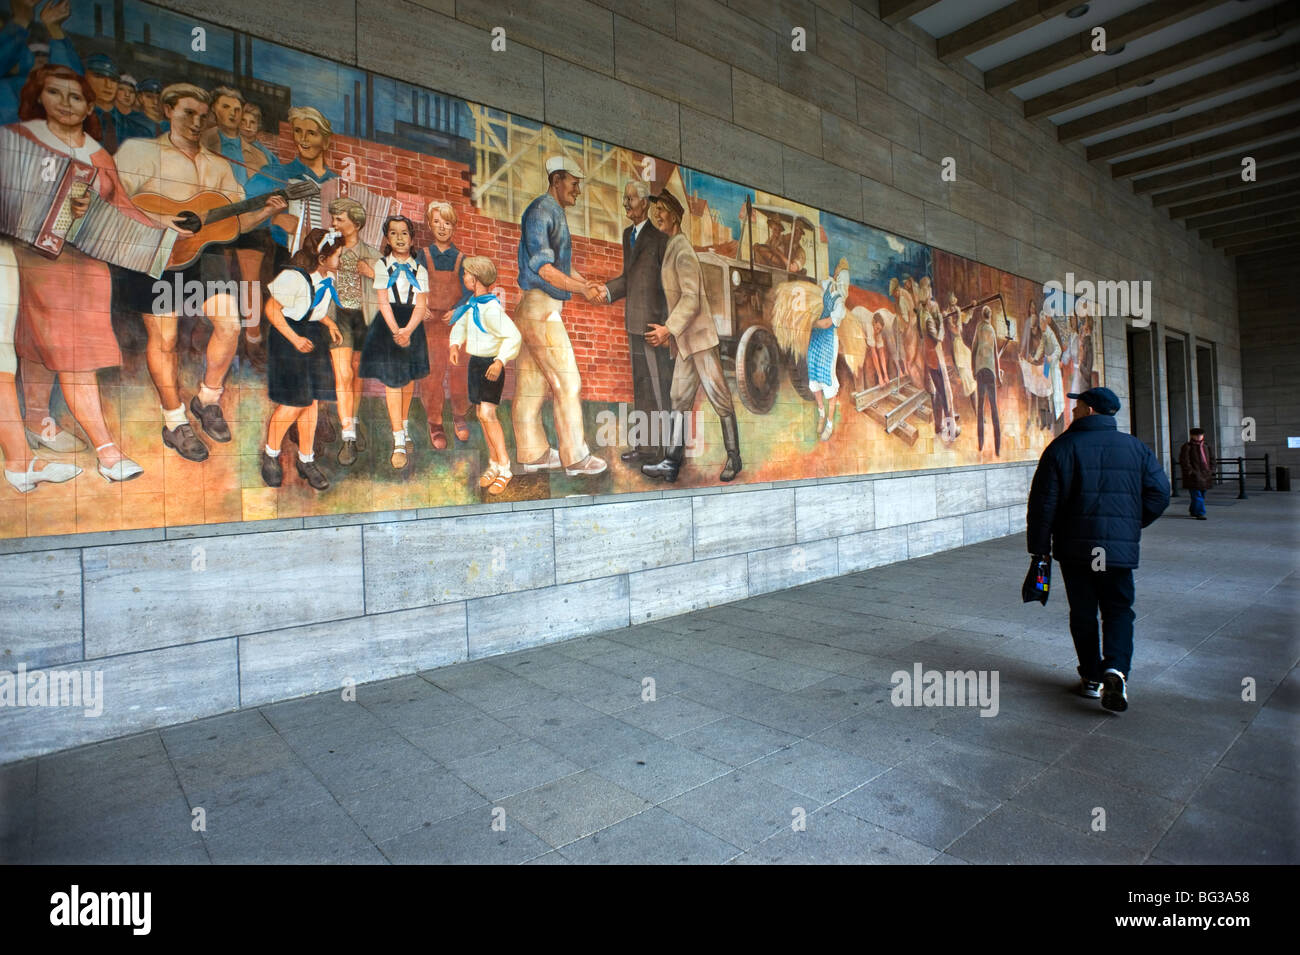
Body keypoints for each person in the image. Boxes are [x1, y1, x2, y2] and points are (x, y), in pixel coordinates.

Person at [114, 82, 287, 462]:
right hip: (156, 256)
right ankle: (174, 421)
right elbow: (116, 202)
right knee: (166, 339)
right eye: (187, 113)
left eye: (201, 115)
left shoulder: (219, 166)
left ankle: (207, 399)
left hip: (203, 256)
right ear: (167, 110)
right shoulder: (139, 153)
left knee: (230, 325)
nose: (196, 121)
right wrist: (163, 221)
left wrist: (265, 211)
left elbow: (232, 225)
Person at [10, 65, 158, 483]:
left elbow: (123, 207)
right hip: (40, 260)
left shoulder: (97, 153)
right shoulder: (20, 139)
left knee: (46, 345)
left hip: (89, 264)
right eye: (55, 93)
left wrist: (164, 229)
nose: (65, 103)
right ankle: (107, 452)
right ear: (40, 97)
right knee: (70, 353)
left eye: (75, 97)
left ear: (88, 106)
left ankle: (37, 421)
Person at [1027, 386, 1170, 712]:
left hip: (1076, 550)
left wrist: (1040, 550)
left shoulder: (1062, 448)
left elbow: (1043, 504)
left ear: (1089, 410)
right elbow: (1160, 493)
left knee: (1083, 613)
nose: (1073, 410)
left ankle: (1091, 678)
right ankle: (1115, 669)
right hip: (1115, 551)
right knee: (1119, 610)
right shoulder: (1136, 448)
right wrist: (1129, 525)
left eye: (1077, 406)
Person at [512, 154, 606, 477]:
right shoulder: (542, 211)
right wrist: (579, 289)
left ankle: (532, 452)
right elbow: (545, 268)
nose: (577, 191)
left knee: (531, 385)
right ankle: (576, 458)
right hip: (541, 308)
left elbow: (562, 269)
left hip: (533, 308)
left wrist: (584, 283)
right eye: (574, 184)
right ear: (556, 180)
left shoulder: (553, 213)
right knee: (568, 381)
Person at [640, 191, 741, 484]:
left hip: (699, 341)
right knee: (679, 399)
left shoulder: (682, 250)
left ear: (675, 215)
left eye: (662, 210)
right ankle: (672, 462)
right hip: (686, 343)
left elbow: (691, 300)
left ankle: (734, 457)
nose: (657, 215)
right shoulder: (673, 247)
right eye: (655, 210)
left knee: (719, 397)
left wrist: (667, 329)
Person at [588, 179, 671, 465]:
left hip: (653, 328)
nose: (626, 204)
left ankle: (667, 453)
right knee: (642, 389)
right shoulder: (628, 236)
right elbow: (629, 278)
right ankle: (646, 449)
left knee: (660, 390)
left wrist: (667, 328)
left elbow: (669, 287)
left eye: (631, 199)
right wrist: (608, 291)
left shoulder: (661, 240)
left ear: (645, 203)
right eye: (625, 198)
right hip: (633, 324)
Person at [260, 227, 344, 492]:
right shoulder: (294, 278)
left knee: (312, 403)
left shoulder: (326, 277)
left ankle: (306, 460)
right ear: (322, 258)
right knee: (293, 404)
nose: (340, 261)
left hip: (311, 336)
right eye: (338, 256)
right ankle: (271, 453)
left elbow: (313, 309)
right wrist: (295, 340)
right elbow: (272, 310)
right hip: (288, 337)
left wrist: (329, 322)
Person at [360, 215, 429, 470]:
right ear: (387, 238)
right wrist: (395, 331)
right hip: (389, 325)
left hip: (412, 323)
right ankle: (398, 440)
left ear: (412, 238)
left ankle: (405, 425)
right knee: (393, 382)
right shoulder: (382, 266)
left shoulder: (419, 270)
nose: (399, 238)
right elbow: (383, 301)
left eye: (404, 233)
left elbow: (421, 304)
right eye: (394, 233)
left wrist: (408, 330)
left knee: (408, 379)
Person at [448, 257, 521, 495]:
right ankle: (493, 464)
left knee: (489, 414)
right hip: (475, 364)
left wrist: (500, 361)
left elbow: (514, 336)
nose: (464, 277)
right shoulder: (473, 304)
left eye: (467, 274)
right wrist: (455, 345)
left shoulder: (491, 309)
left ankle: (506, 468)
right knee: (480, 414)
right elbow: (461, 326)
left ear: (476, 278)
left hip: (491, 365)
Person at [415, 201, 472, 451]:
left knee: (459, 372)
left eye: (447, 223)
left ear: (454, 227)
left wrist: (457, 310)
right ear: (429, 224)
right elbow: (414, 285)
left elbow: (471, 292)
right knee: (432, 374)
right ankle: (435, 423)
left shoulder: (461, 258)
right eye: (437, 221)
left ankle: (459, 415)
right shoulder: (423, 255)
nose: (442, 227)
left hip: (455, 324)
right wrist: (422, 305)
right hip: (430, 325)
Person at [327, 197, 379, 466]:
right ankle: (347, 436)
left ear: (356, 224)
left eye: (339, 219)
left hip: (364, 316)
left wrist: (370, 272)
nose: (334, 224)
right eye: (333, 218)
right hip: (338, 315)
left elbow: (392, 284)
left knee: (356, 371)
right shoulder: (326, 249)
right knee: (343, 374)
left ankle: (354, 424)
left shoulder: (371, 252)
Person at [809, 259, 849, 441]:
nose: (840, 281)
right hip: (816, 339)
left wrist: (810, 323)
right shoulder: (828, 285)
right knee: (814, 375)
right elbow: (817, 285)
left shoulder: (840, 304)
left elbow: (827, 323)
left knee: (827, 379)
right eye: (839, 277)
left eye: (843, 280)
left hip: (827, 341)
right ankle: (821, 413)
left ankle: (830, 424)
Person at [971, 305, 1001, 455]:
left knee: (980, 408)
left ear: (983, 316)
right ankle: (997, 448)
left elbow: (973, 349)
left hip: (981, 371)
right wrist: (999, 377)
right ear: (990, 316)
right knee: (994, 408)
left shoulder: (979, 328)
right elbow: (995, 355)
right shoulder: (992, 331)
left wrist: (973, 370)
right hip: (990, 371)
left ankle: (981, 444)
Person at [1179, 427, 1215, 520]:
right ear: (1192, 436)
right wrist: (1191, 472)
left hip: (1206, 475)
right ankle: (1200, 513)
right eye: (1197, 435)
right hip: (1194, 476)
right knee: (1197, 495)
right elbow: (1184, 461)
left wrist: (1211, 470)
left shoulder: (1206, 446)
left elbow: (1212, 459)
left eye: (1201, 435)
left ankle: (1193, 510)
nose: (1199, 437)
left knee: (1201, 495)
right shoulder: (1187, 446)